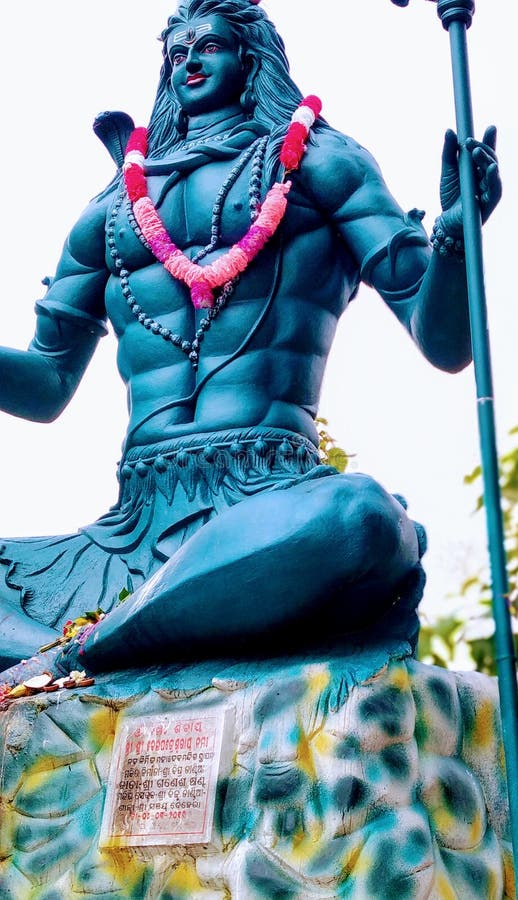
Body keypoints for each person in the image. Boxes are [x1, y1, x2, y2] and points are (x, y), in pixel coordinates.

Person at [0, 0, 501, 672]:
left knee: (362, 519)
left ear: (250, 59)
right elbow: (45, 383)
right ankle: (110, 637)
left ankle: (93, 650)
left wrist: (455, 234)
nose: (190, 63)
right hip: (127, 534)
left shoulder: (321, 166)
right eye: (176, 54)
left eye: (208, 46)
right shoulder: (113, 211)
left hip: (271, 509)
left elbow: (444, 343)